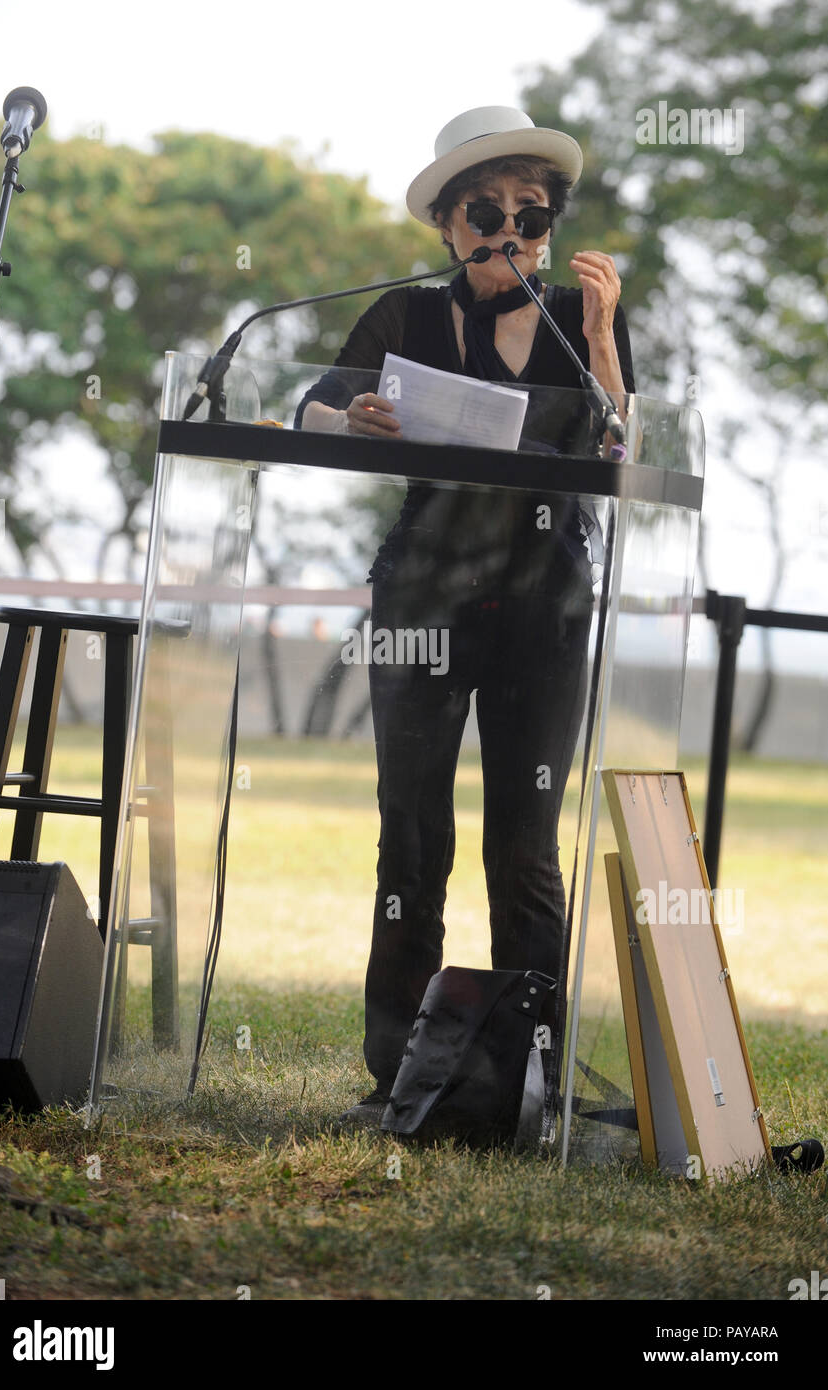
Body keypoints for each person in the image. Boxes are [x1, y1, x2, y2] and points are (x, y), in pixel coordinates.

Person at [296, 107, 636, 1131]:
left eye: (532, 216)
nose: (511, 233)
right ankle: (398, 1072)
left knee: (524, 846)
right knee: (411, 835)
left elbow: (624, 443)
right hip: (422, 603)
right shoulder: (401, 318)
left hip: (543, 608)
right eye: (486, 212)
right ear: (447, 222)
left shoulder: (584, 319)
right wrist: (350, 415)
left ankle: (527, 1082)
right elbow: (308, 407)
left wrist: (607, 337)